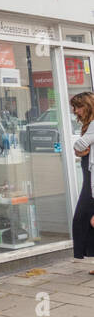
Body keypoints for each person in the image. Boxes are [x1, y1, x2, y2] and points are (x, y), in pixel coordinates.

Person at [71, 92, 94, 273]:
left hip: (92, 179)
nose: (76, 111)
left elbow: (80, 146)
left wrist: (79, 150)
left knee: (83, 219)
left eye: (79, 106)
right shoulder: (89, 125)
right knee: (87, 220)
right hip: (89, 177)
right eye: (75, 107)